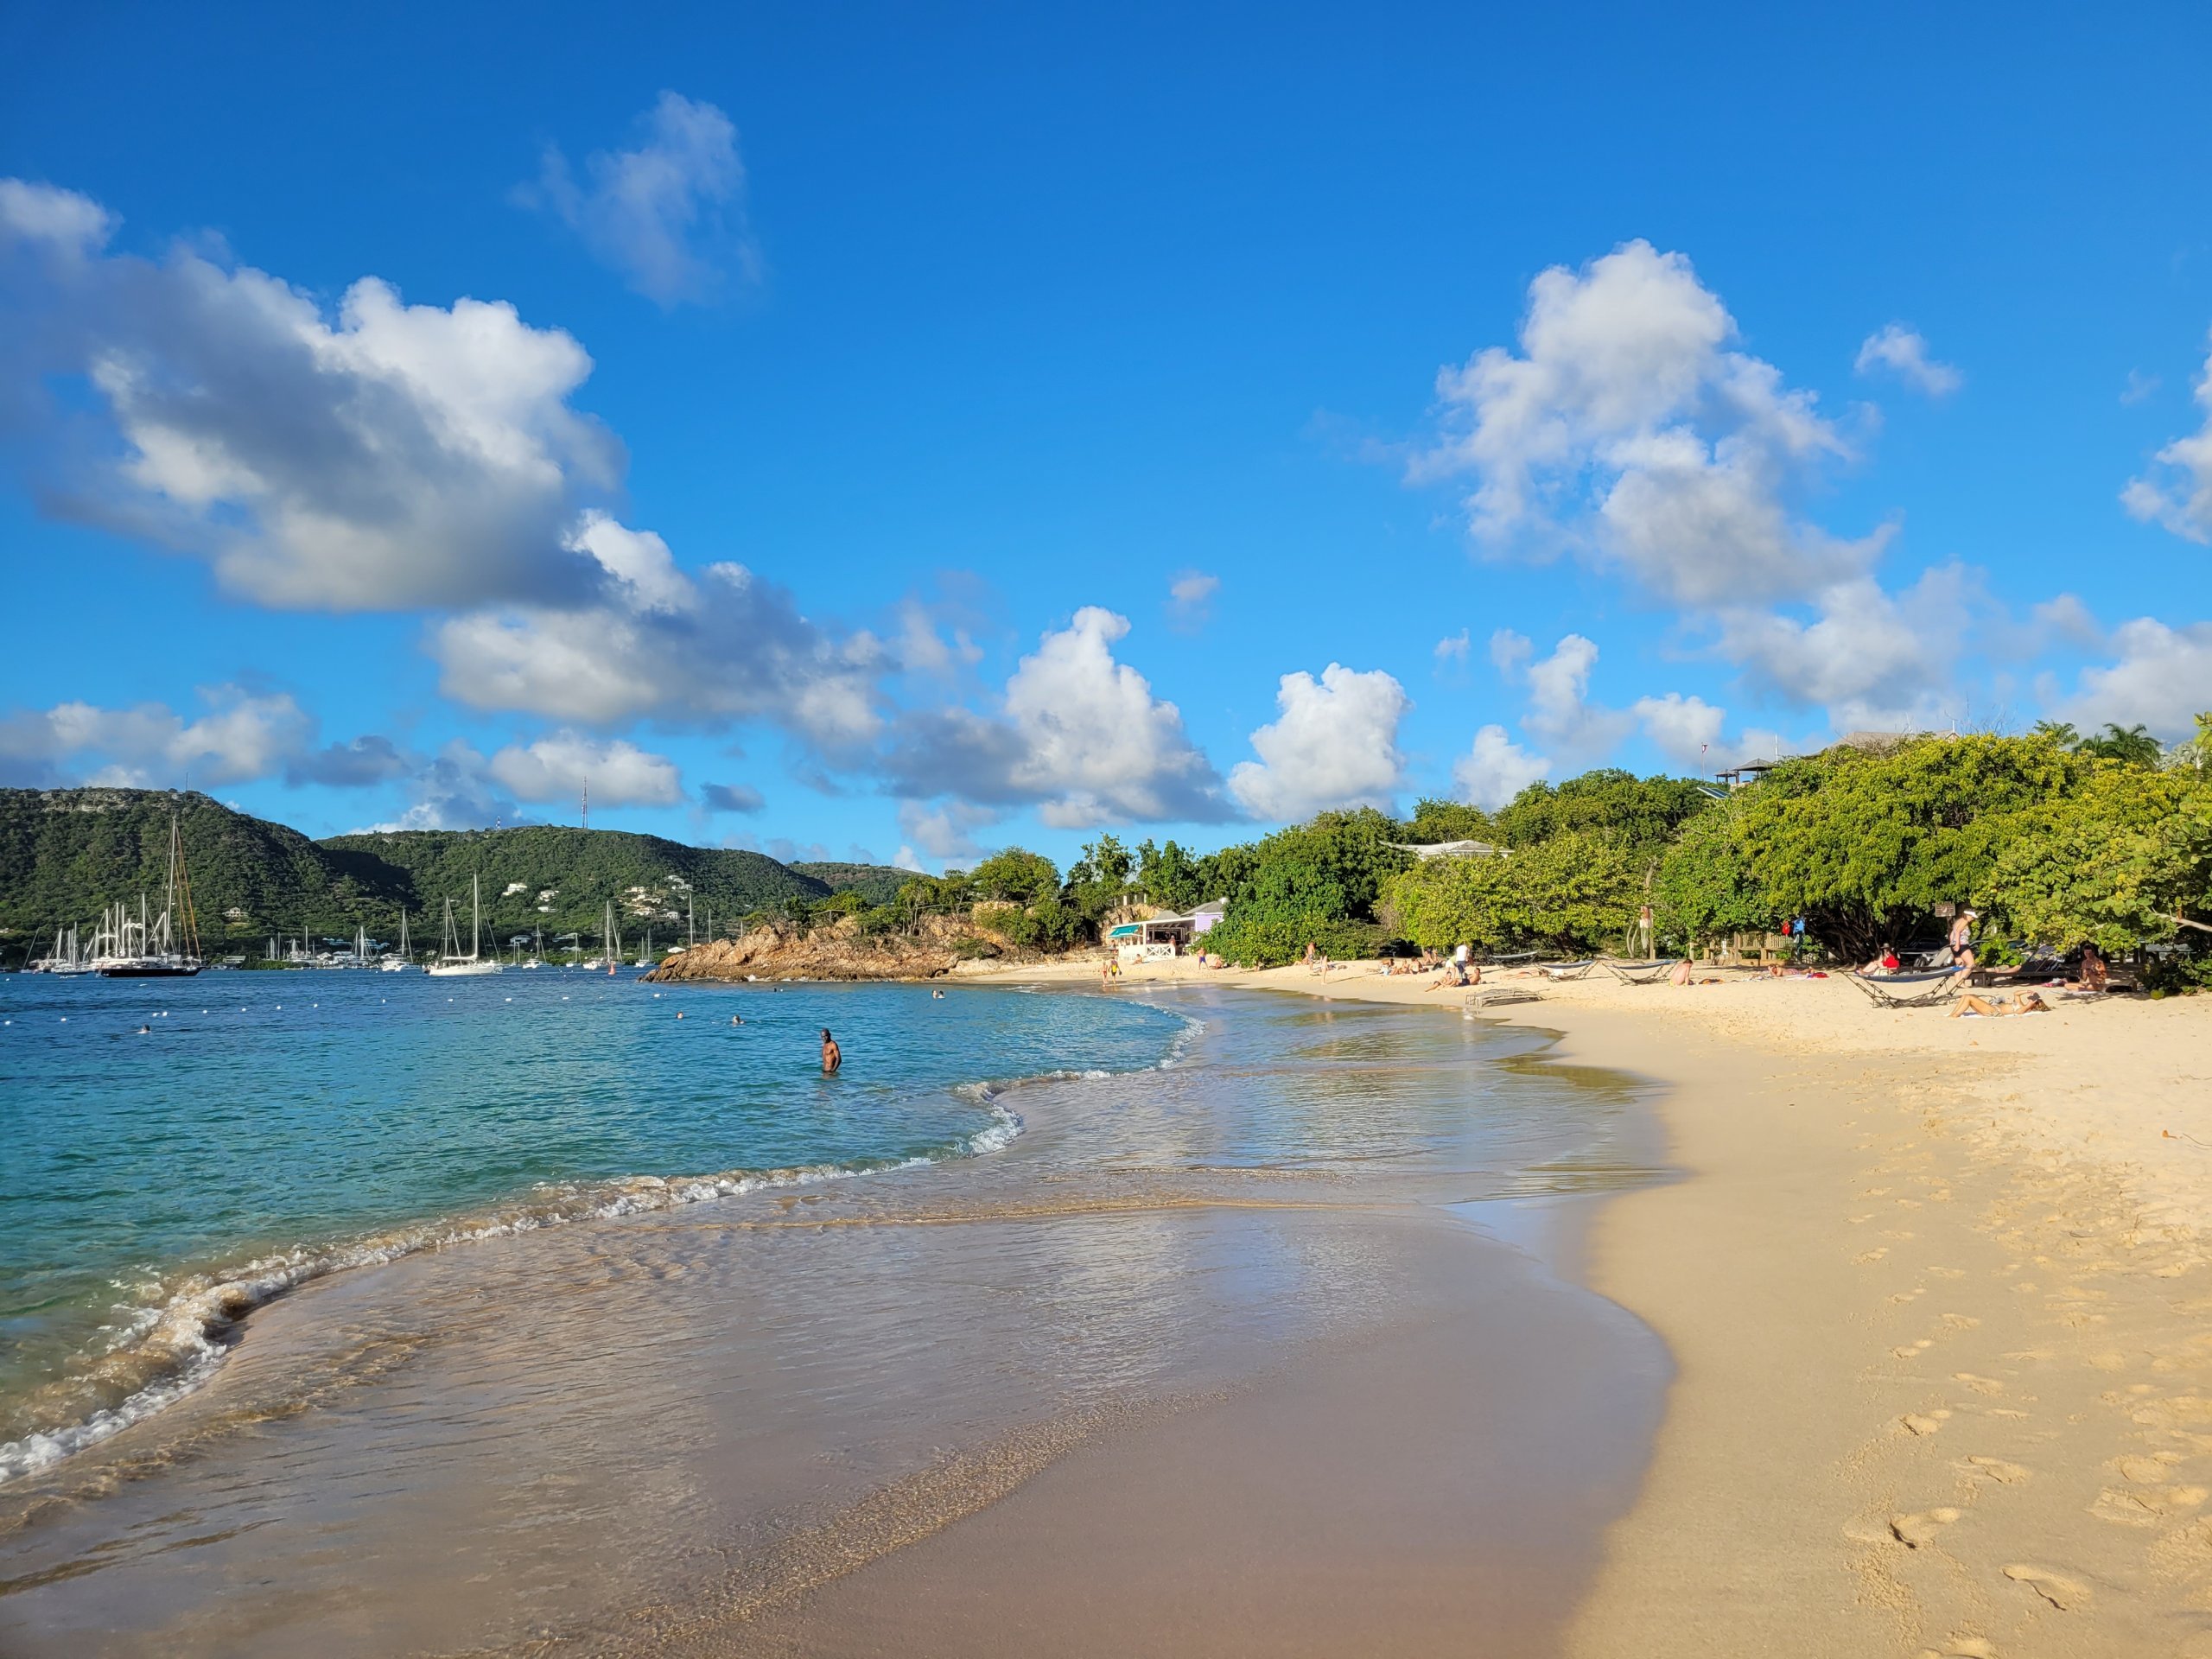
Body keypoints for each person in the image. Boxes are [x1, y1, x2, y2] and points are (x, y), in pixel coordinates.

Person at [1949, 990, 2050, 1019]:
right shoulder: (2020, 1003)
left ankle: (1954, 1015)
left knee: (1969, 997)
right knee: (1965, 996)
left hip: (1993, 1011)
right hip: (1991, 1008)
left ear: (2034, 1004)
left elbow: (2019, 1013)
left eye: (2033, 1000)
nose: (2030, 999)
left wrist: (2029, 1004)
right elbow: (2016, 993)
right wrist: (2027, 991)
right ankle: (1953, 1014)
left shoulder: (2024, 1008)